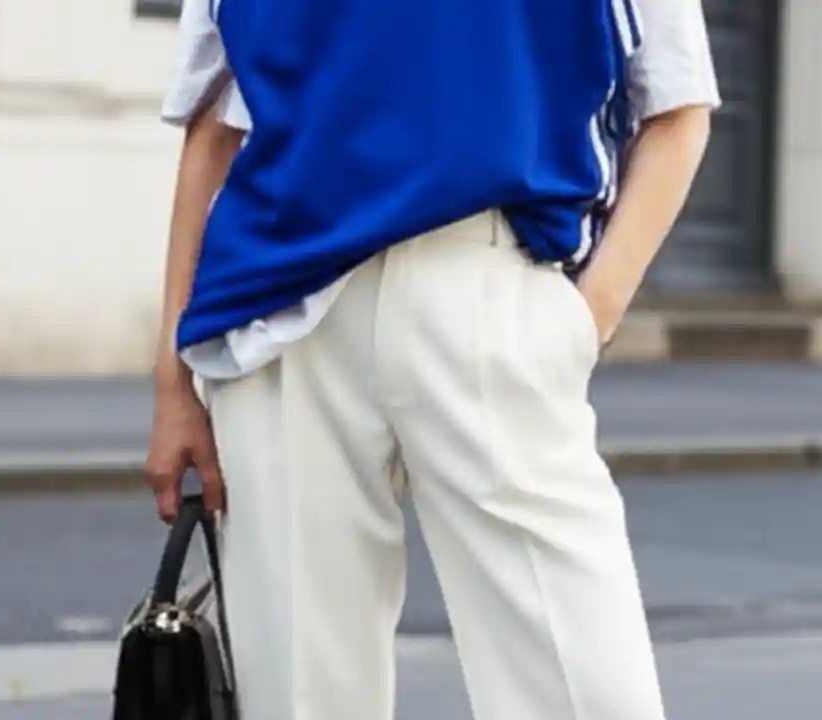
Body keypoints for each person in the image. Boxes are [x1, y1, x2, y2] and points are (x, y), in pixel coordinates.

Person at [145, 0, 719, 717]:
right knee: (298, 693)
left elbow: (677, 103)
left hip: (484, 281)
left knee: (587, 690)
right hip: (276, 317)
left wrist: (586, 318)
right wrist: (173, 383)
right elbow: (214, 123)